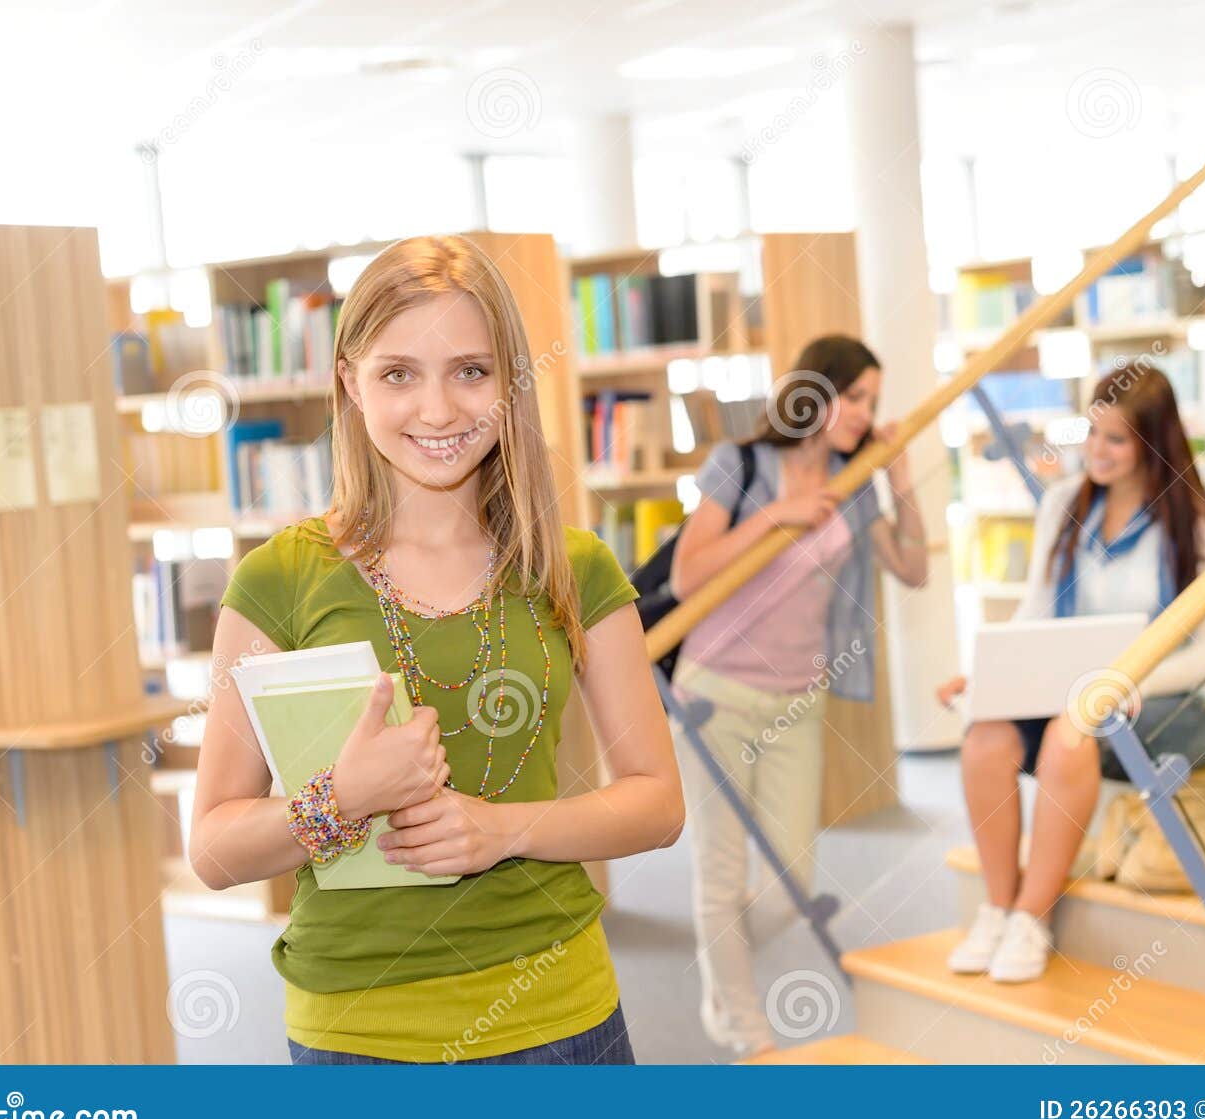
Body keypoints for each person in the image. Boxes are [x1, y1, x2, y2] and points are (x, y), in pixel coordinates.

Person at [190, 235, 684, 1065]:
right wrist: (341, 797)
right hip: (358, 1035)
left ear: (511, 382)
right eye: (398, 374)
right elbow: (211, 848)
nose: (439, 410)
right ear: (348, 381)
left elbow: (658, 801)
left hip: (559, 1016)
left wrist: (503, 829)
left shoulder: (574, 567)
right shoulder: (278, 579)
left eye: (471, 371)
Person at [668, 334, 931, 1058]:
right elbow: (690, 576)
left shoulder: (855, 478)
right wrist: (777, 516)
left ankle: (721, 974)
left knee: (791, 882)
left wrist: (900, 482)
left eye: (873, 400)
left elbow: (912, 569)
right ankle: (747, 1028)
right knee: (719, 875)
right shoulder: (743, 464)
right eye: (854, 396)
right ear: (814, 392)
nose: (864, 412)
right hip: (715, 691)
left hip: (795, 700)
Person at [936, 361, 1205, 983]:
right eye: (1092, 433)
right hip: (1073, 695)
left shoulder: (1190, 525)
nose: (1097, 451)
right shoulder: (1065, 505)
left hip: (1164, 706)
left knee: (1073, 732)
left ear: (1153, 444)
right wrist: (986, 675)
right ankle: (997, 906)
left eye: (1116, 439)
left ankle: (1031, 919)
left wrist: (1128, 683)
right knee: (987, 737)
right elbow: (1034, 608)